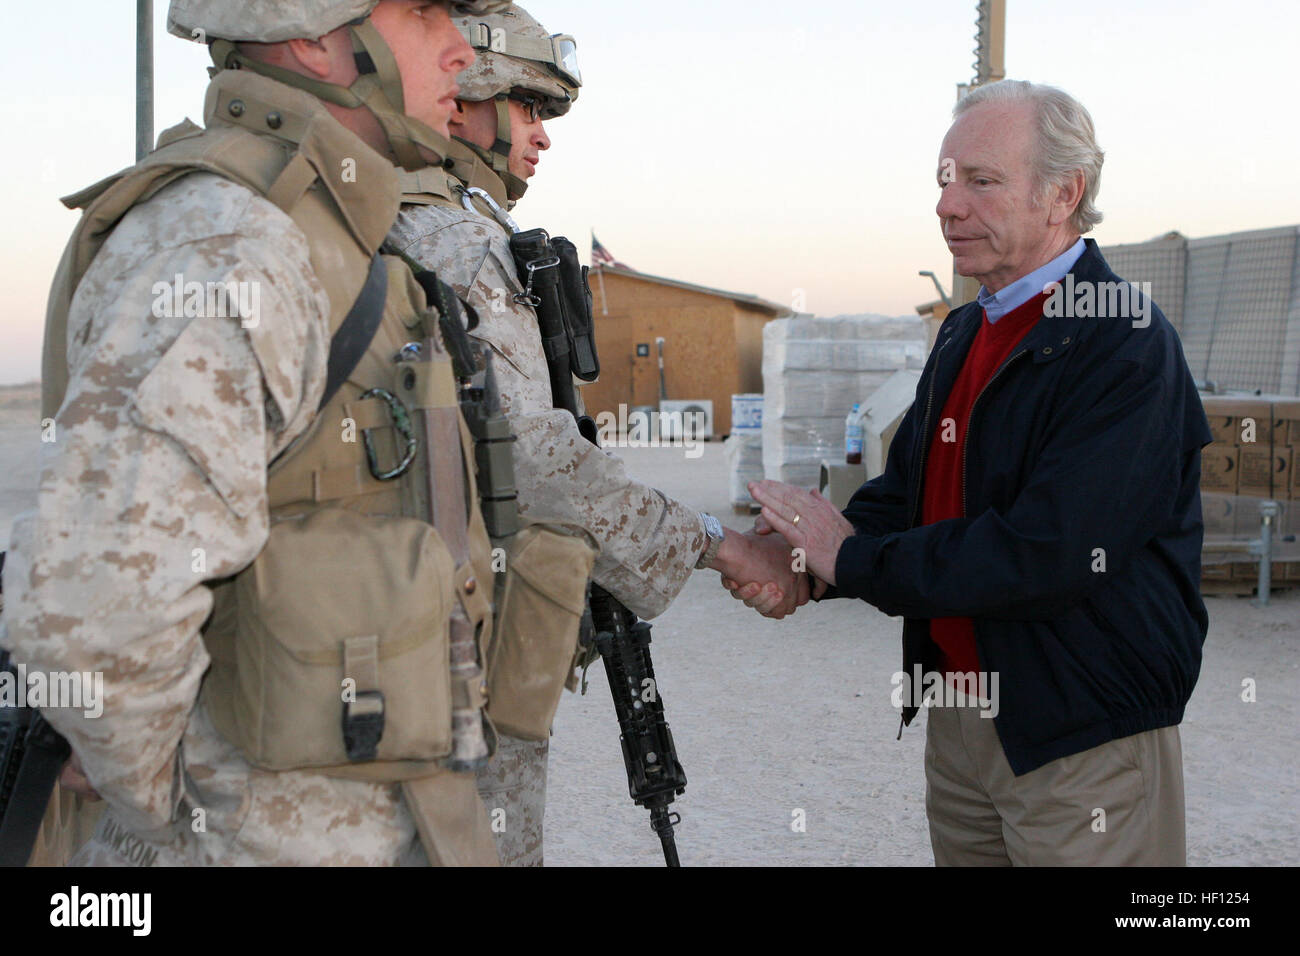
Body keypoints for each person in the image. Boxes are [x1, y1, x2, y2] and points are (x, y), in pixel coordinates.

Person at [0, 0, 531, 867]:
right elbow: (97, 605)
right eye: (429, 13)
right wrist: (174, 803)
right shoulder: (234, 241)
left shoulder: (324, 229)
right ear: (317, 38)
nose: (459, 56)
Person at [739, 80, 1212, 866]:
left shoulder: (1122, 342)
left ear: (1065, 193)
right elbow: (907, 497)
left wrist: (849, 557)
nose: (947, 205)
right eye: (944, 180)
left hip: (1076, 732)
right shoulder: (965, 330)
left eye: (980, 181)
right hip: (963, 717)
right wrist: (802, 559)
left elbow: (1051, 550)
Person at [386, 3, 805, 866]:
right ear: (465, 99)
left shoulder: (389, 213)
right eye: (528, 108)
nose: (542, 136)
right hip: (451, 657)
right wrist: (714, 542)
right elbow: (533, 454)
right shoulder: (457, 241)